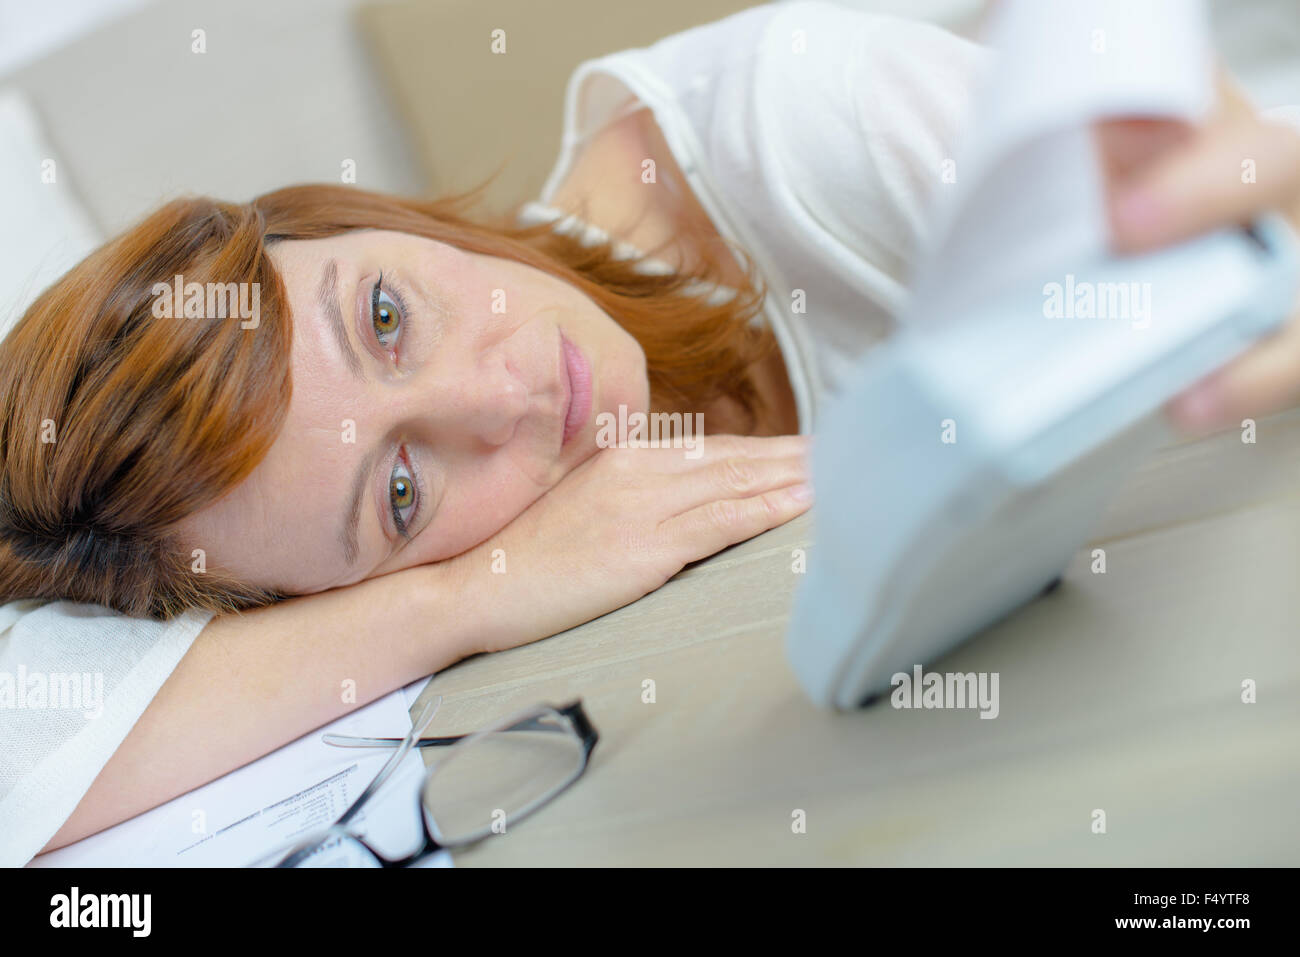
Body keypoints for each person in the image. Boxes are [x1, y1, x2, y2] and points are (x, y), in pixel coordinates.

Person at [2, 0, 1298, 866]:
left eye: (386, 316)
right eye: (400, 492)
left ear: (341, 214)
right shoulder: (414, 591)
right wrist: (457, 598)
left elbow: (1242, 247)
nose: (505, 396)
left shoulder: (806, 129)